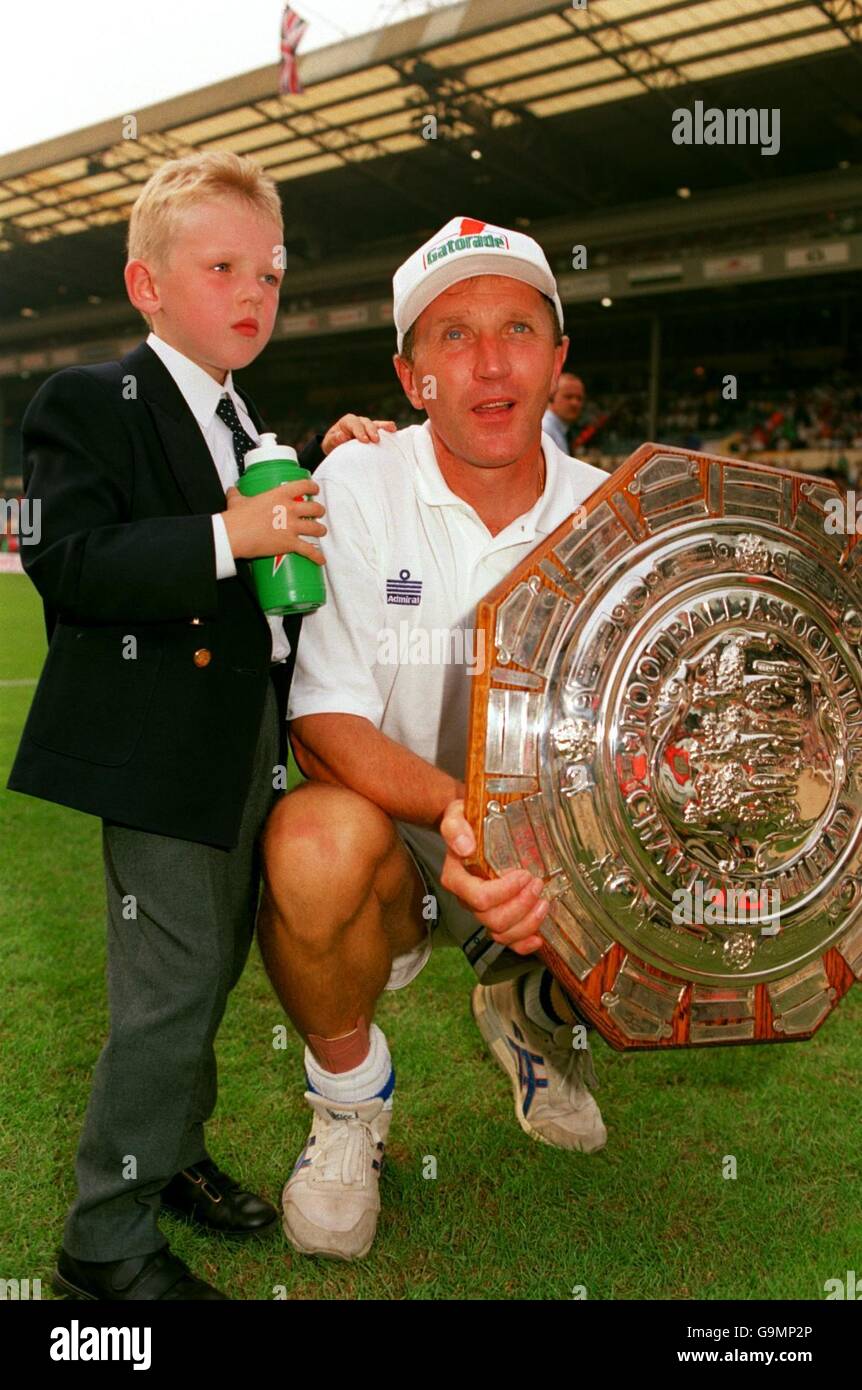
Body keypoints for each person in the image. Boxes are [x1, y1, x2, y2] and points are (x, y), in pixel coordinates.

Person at [6, 150, 393, 1301]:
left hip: (246, 751)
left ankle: (168, 1158)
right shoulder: (86, 398)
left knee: (213, 972)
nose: (253, 293)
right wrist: (231, 534)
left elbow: (268, 549)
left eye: (269, 272)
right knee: (170, 991)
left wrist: (334, 471)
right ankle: (105, 1239)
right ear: (147, 287)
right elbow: (65, 558)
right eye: (222, 266)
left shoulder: (241, 415)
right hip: (160, 755)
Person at [259, 215, 609, 1262]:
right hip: (409, 824)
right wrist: (460, 818)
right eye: (453, 337)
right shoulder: (355, 487)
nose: (490, 362)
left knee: (674, 870)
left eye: (516, 330)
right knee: (309, 843)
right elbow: (321, 722)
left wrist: (549, 846)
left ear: (557, 360)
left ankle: (536, 1020)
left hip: (555, 835)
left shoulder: (613, 511)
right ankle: (349, 1105)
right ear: (412, 378)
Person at [542, 370, 585, 453]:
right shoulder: (545, 430)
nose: (575, 403)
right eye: (568, 397)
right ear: (551, 396)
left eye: (579, 398)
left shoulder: (557, 429)